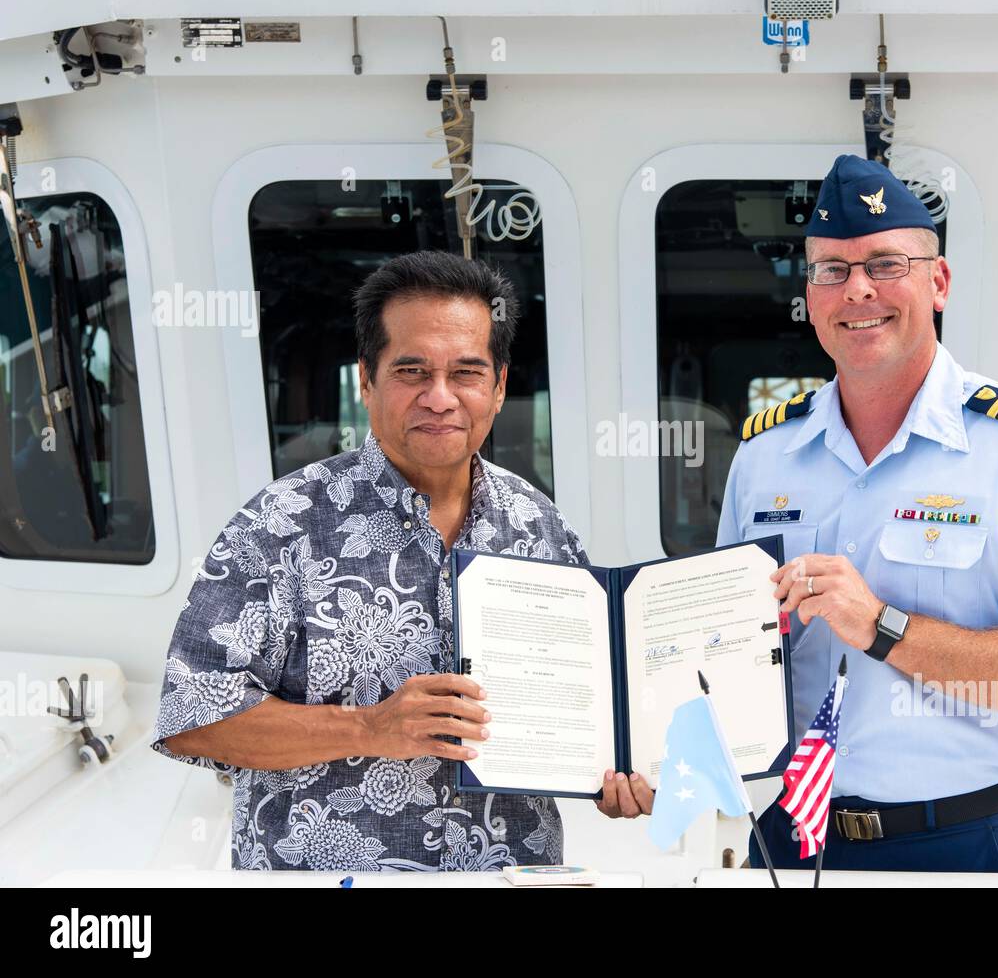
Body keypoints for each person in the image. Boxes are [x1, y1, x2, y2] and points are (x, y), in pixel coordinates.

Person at [152, 250, 649, 872]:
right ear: (367, 380)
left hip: (510, 880)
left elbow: (593, 715)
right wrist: (368, 727)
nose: (439, 398)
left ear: (498, 387)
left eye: (466, 372)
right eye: (411, 370)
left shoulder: (540, 525)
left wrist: (619, 772)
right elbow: (192, 718)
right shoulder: (281, 523)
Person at [716, 155, 998, 873]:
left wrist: (883, 625)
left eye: (885, 263)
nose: (857, 290)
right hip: (797, 838)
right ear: (810, 296)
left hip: (973, 842)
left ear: (937, 283)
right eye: (831, 270)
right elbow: (723, 653)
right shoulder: (764, 455)